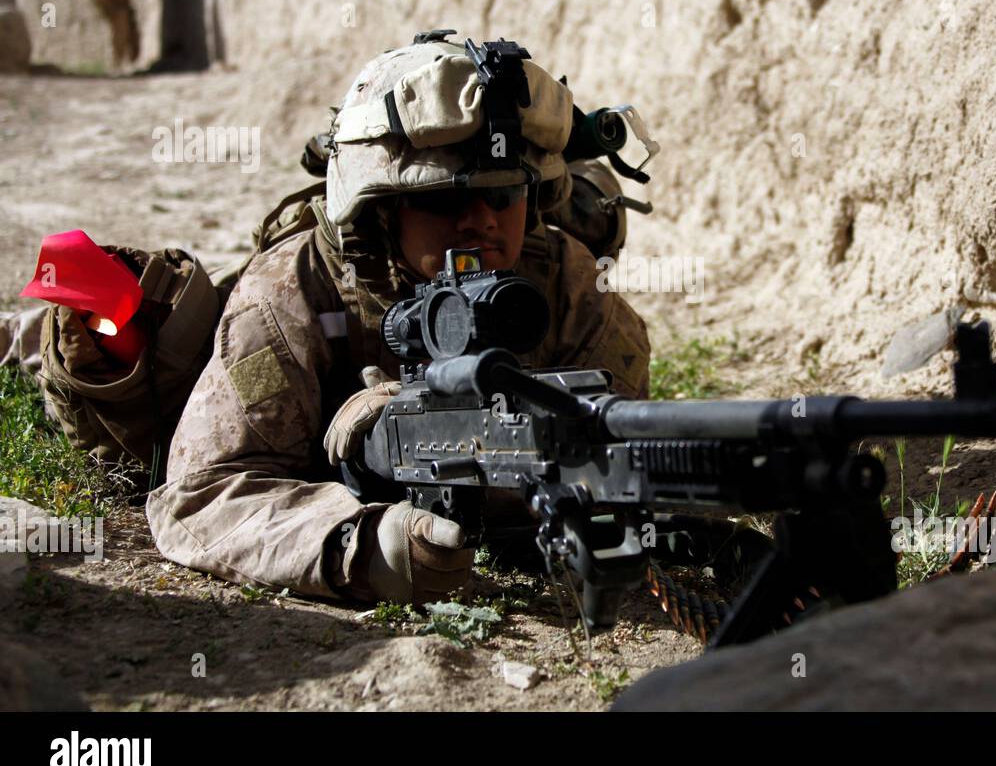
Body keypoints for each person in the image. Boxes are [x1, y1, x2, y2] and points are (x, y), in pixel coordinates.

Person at [145, 35, 652, 605]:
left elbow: (626, 461)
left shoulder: (565, 280)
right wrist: (363, 547)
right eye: (442, 199)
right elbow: (200, 497)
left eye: (506, 193)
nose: (482, 221)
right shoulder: (295, 288)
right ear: (382, 208)